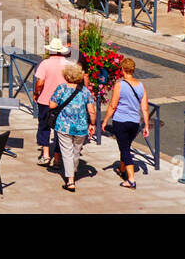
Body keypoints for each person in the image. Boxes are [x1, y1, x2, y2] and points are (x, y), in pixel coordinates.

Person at [102, 57, 149, 188]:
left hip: (121, 121)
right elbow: (144, 108)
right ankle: (122, 170)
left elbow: (112, 105)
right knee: (126, 146)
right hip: (134, 122)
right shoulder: (141, 86)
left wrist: (105, 120)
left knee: (125, 149)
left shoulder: (120, 85)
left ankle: (131, 179)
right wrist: (146, 125)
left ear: (122, 69)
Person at [49, 64, 94, 192]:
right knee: (76, 151)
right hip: (81, 127)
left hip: (64, 126)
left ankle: (70, 180)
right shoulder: (85, 91)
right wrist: (93, 124)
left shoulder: (61, 88)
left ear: (66, 75)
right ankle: (72, 171)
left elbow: (52, 105)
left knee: (67, 152)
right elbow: (91, 111)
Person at [33, 38, 72, 167]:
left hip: (45, 101)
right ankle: (57, 158)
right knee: (59, 130)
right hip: (62, 102)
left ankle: (45, 155)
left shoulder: (45, 63)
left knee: (44, 126)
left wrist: (36, 93)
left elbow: (40, 83)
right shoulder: (67, 64)